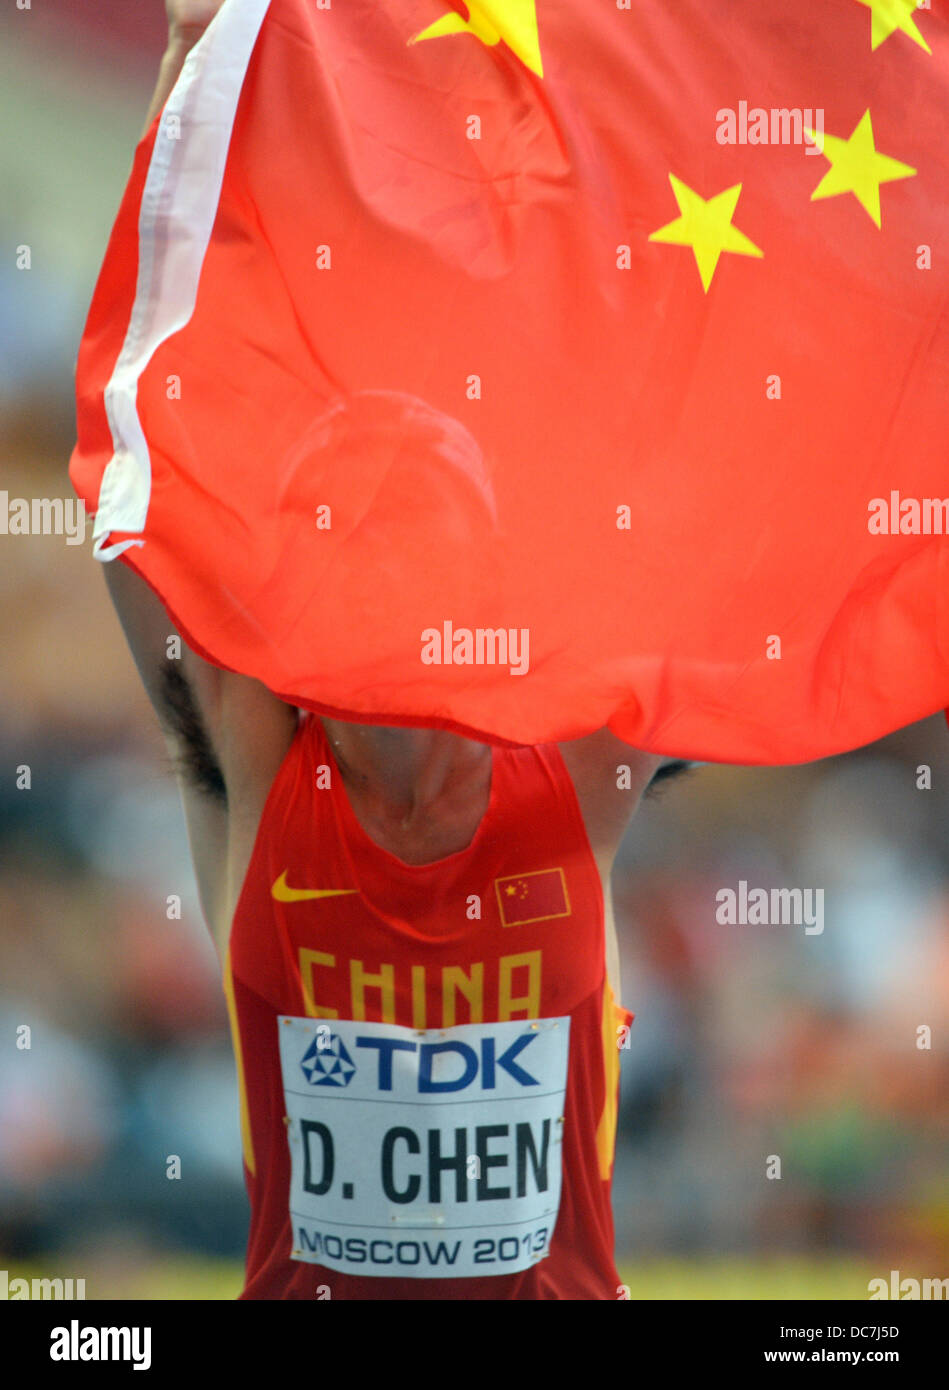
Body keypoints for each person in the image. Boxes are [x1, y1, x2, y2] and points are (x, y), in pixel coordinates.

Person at [97, 2, 692, 1300]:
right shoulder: (253, 765)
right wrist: (187, 93)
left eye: (413, 538)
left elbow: (683, 502)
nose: (382, 573)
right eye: (350, 538)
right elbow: (138, 465)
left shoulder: (571, 771)